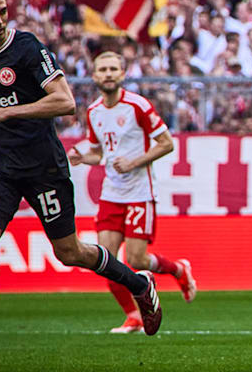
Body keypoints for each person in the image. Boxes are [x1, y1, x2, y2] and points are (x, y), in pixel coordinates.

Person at [0, 0, 162, 363]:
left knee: (69, 252)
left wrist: (7, 113)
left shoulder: (26, 48)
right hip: (0, 166)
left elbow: (65, 101)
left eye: (3, 12)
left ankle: (139, 283)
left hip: (43, 166)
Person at [69, 51, 199, 333]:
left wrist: (133, 162)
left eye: (113, 69)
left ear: (123, 74)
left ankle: (178, 270)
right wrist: (80, 156)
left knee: (137, 260)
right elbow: (97, 152)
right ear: (94, 76)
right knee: (105, 259)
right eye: (102, 69)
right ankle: (134, 315)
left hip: (140, 191)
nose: (108, 74)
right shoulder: (94, 112)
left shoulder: (137, 105)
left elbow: (166, 143)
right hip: (111, 194)